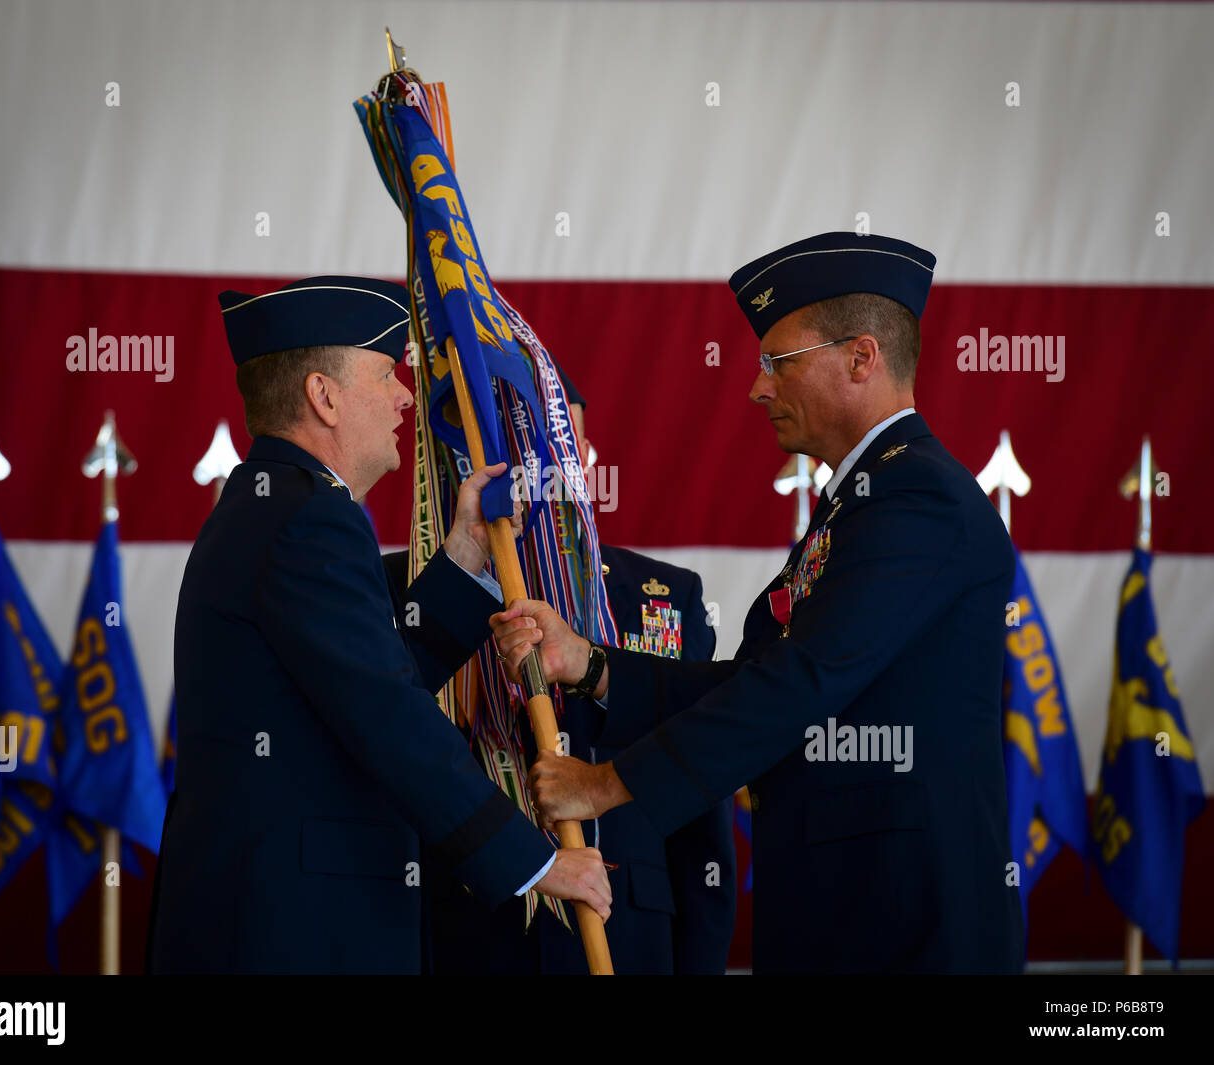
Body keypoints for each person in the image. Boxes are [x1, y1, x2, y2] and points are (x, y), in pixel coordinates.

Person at [490, 233, 1025, 974]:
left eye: (779, 361)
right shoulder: (864, 500)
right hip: (848, 913)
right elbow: (761, 675)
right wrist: (592, 666)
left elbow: (797, 685)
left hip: (904, 926)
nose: (757, 386)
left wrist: (605, 784)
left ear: (861, 358)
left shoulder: (919, 497)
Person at [147, 275, 610, 974]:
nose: (405, 395)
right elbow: (391, 720)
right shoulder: (310, 518)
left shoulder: (274, 505)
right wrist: (536, 860)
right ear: (323, 396)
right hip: (292, 932)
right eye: (387, 372)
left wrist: (463, 555)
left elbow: (365, 679)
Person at [392, 370, 737, 974]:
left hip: (625, 925)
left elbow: (698, 795)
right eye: (521, 455)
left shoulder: (665, 596)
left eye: (559, 450)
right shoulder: (404, 590)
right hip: (465, 927)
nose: (547, 470)